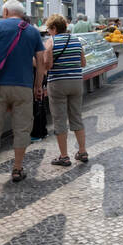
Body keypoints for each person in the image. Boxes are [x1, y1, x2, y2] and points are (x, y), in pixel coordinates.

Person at [0, 0, 45, 186]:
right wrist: (38, 86)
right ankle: (17, 170)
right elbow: (41, 62)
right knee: (22, 129)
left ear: (5, 11)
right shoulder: (33, 31)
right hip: (24, 87)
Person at [44, 13, 88, 167]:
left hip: (58, 84)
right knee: (76, 116)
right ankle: (82, 151)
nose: (48, 32)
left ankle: (64, 156)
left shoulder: (51, 41)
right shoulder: (76, 40)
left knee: (59, 119)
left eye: (49, 29)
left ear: (54, 28)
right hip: (76, 83)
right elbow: (83, 63)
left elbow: (47, 65)